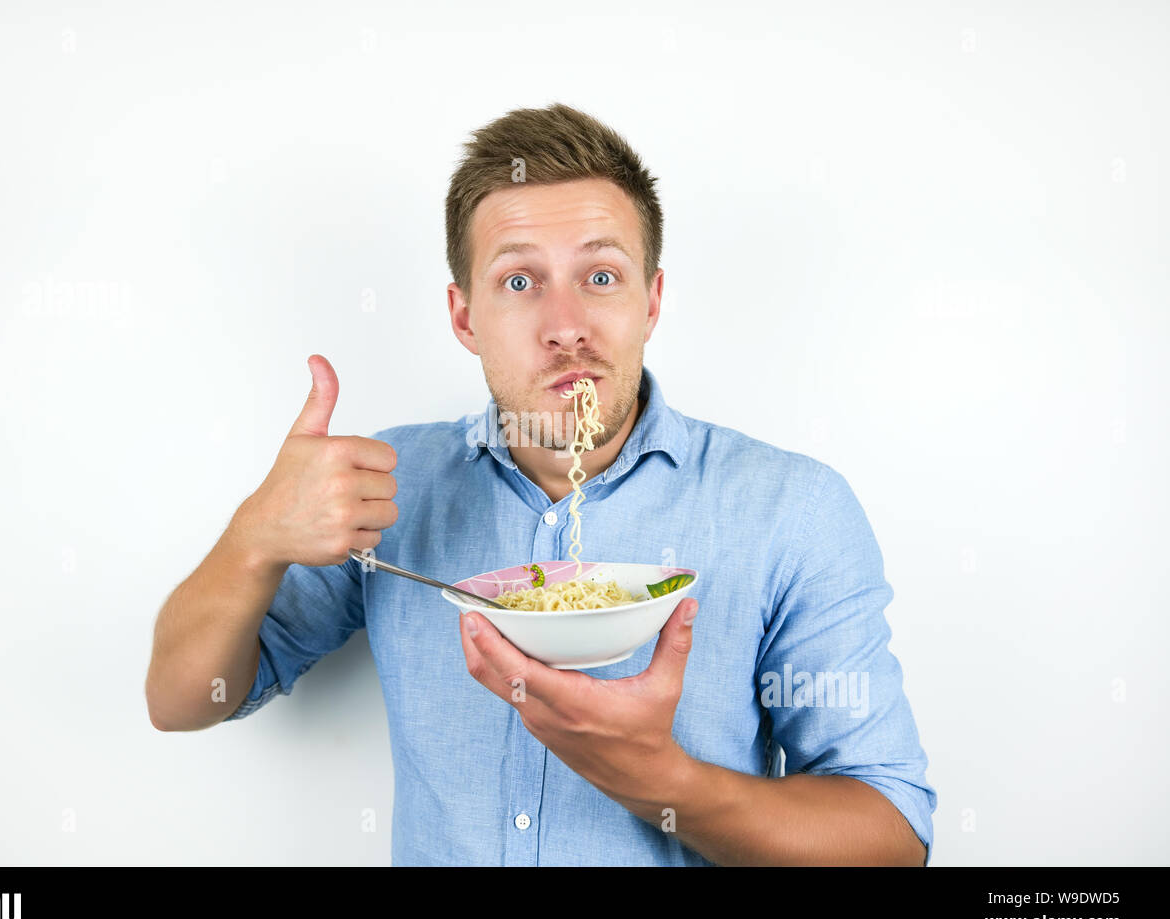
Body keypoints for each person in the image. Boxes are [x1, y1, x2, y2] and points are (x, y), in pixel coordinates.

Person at [146, 102, 937, 866]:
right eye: (520, 283)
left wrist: (661, 779)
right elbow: (183, 700)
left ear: (652, 301)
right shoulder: (388, 487)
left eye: (601, 275)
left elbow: (890, 837)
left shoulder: (792, 510)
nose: (566, 324)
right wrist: (253, 537)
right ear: (464, 318)